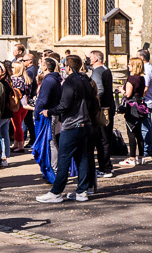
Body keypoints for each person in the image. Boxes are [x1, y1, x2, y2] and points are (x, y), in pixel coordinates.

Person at [36, 55, 97, 203]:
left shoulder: (71, 82)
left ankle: (56, 192)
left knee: (64, 158)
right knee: (82, 158)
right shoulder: (86, 81)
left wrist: (48, 111)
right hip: (86, 124)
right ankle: (82, 191)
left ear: (68, 67)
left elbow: (64, 104)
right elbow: (93, 103)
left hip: (72, 125)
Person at [89, 51, 115, 178]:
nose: (89, 59)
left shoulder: (98, 71)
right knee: (104, 139)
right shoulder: (105, 69)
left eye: (90, 57)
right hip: (108, 107)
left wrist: (94, 103)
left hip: (103, 109)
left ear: (95, 59)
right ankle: (106, 167)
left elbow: (99, 90)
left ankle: (105, 168)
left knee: (102, 139)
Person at [118, 57, 146, 166]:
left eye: (130, 64)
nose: (128, 66)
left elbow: (128, 94)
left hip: (132, 108)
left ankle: (132, 157)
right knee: (139, 133)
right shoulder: (141, 78)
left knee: (131, 132)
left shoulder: (131, 79)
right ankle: (141, 156)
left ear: (134, 66)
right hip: (140, 106)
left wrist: (122, 90)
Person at [138, 49, 152, 160]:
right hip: (148, 100)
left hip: (146, 101)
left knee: (145, 127)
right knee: (146, 125)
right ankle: (147, 149)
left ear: (142, 58)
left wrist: (140, 98)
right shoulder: (148, 68)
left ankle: (146, 150)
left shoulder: (147, 69)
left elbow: (146, 87)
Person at [9, 61, 29, 152]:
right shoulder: (26, 78)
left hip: (16, 104)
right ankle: (17, 143)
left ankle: (20, 145)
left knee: (17, 125)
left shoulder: (14, 79)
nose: (11, 69)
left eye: (13, 68)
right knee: (18, 124)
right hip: (25, 104)